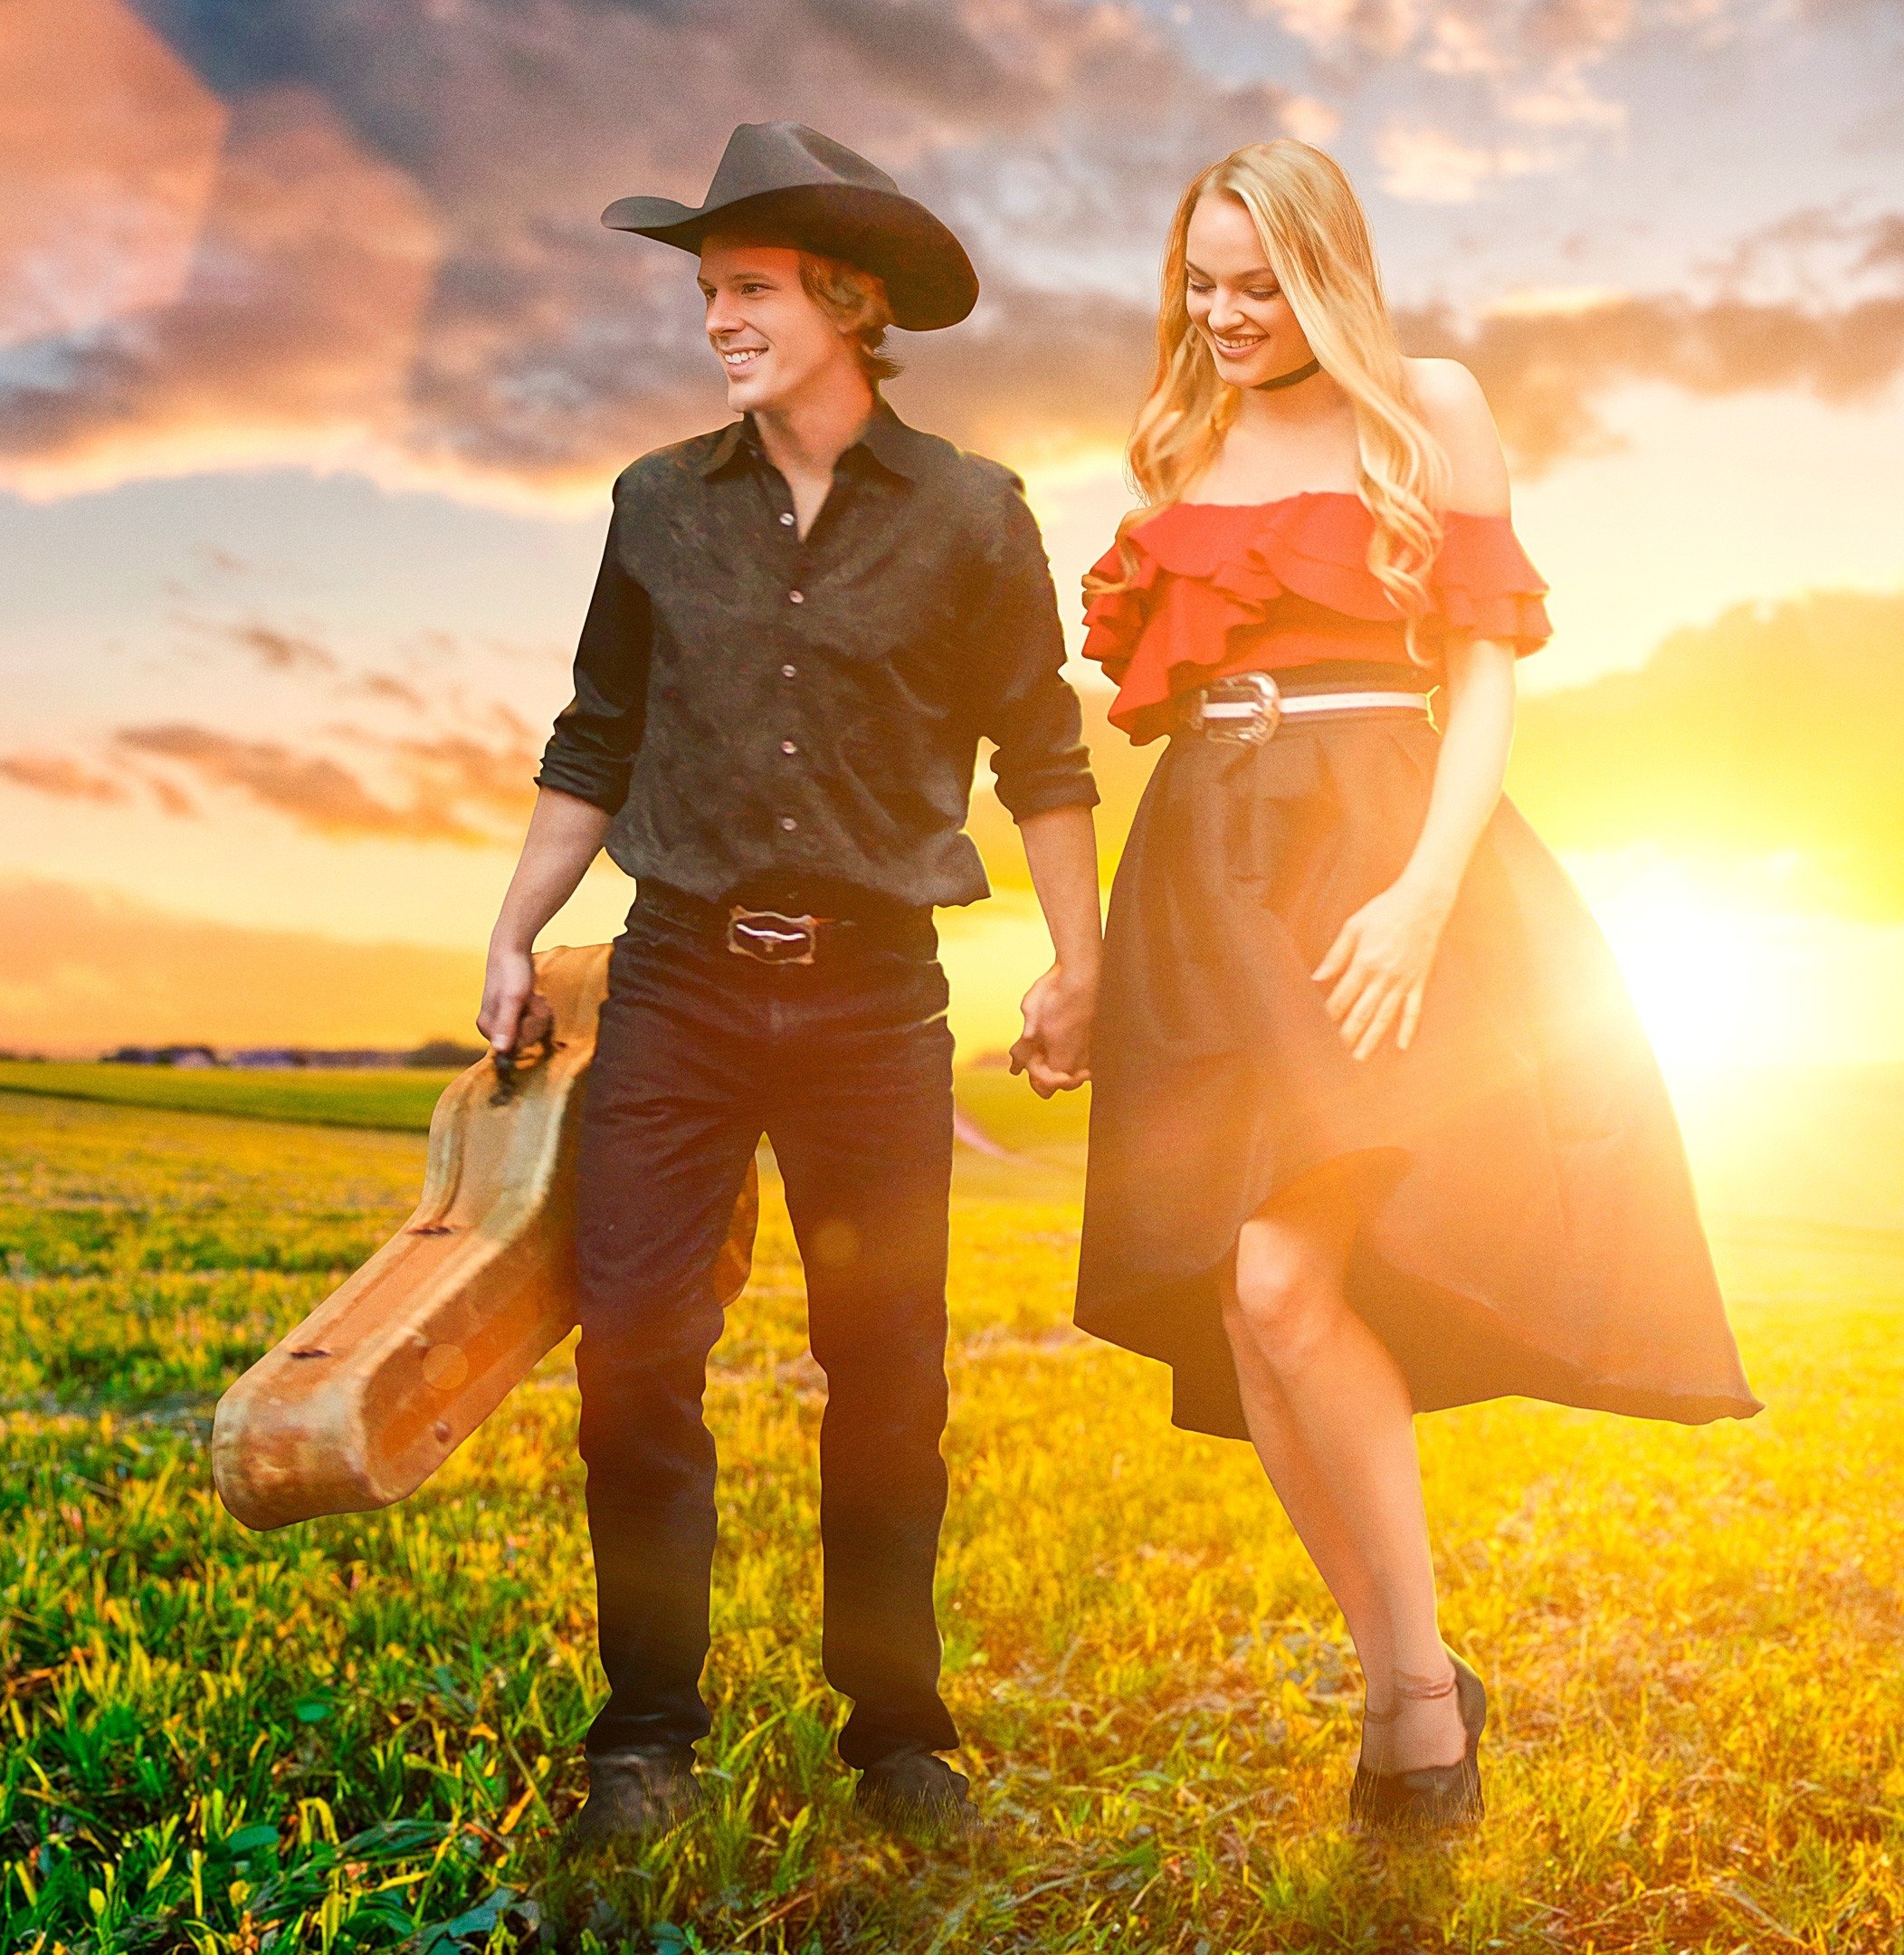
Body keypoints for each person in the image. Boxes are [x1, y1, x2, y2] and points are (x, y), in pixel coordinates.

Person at [1071, 139, 1759, 1835]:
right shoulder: (1176, 439)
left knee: (1293, 1278)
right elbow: (1145, 714)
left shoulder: (1429, 404)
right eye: (1202, 285)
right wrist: (1076, 964)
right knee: (1251, 1302)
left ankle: (1414, 1704)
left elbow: (1484, 674)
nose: (1225, 316)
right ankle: (1415, 1690)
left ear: (1329, 272)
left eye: (1261, 285)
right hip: (1203, 870)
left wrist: (1422, 896)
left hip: (1378, 843)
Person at [481, 121, 1109, 1854]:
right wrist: (516, 926)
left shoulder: (979, 515)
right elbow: (594, 732)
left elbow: (1042, 752)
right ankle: (645, 1732)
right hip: (676, 986)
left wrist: (1083, 960)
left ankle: (898, 1732)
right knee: (636, 1363)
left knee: (891, 1373)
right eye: (706, 292)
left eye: (747, 289)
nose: (716, 322)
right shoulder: (652, 506)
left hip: (871, 1008)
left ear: (849, 299)